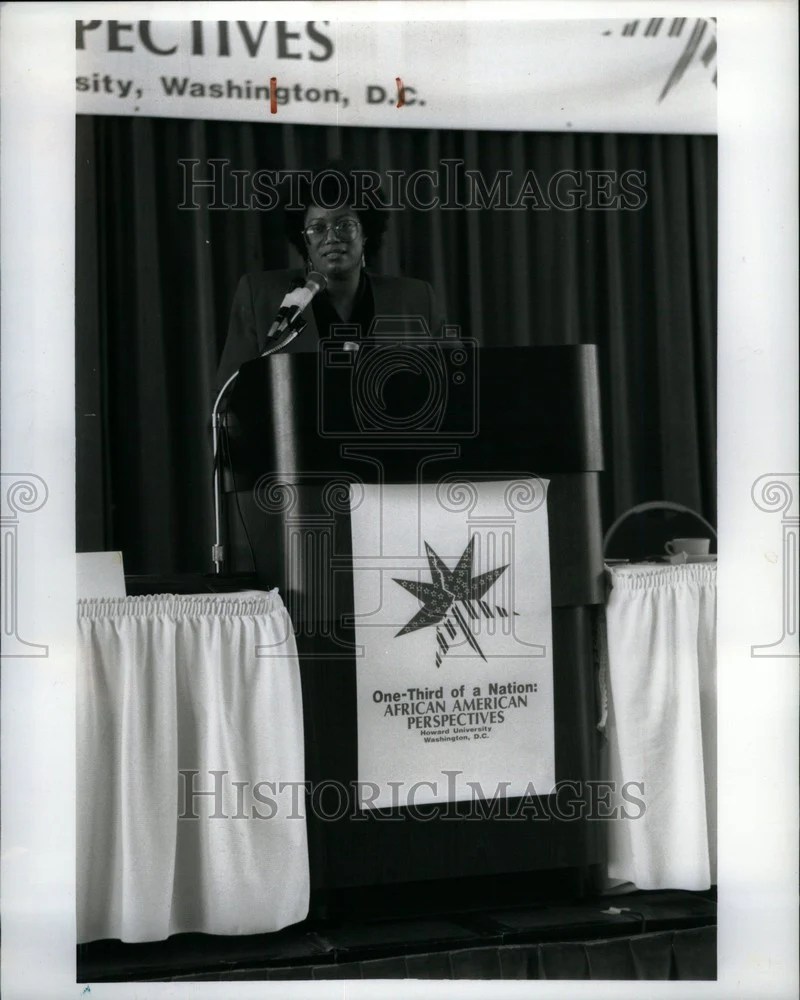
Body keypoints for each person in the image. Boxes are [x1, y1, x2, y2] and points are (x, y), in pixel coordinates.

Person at [216, 166, 445, 390]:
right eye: (317, 228)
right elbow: (229, 399)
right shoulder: (261, 297)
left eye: (345, 225)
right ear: (304, 240)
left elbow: (455, 383)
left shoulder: (415, 299)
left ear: (365, 233)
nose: (332, 237)